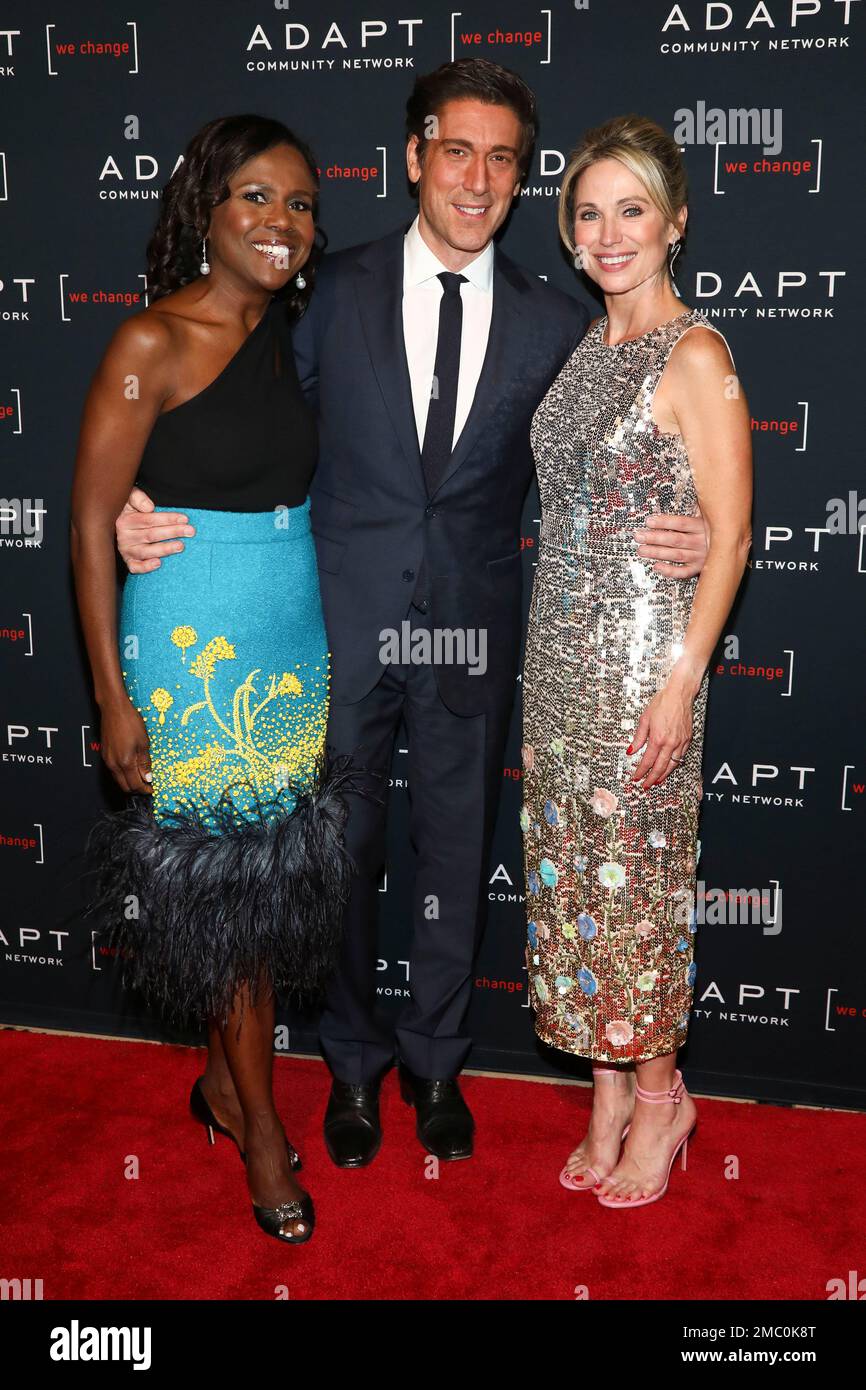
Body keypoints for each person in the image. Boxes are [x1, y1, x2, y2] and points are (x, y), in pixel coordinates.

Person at [115, 61, 710, 1170]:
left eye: (500, 159)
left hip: (475, 626)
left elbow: (628, 438)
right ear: (412, 158)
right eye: (455, 150)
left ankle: (436, 1061)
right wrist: (141, 503)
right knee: (340, 856)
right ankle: (351, 1066)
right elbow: (237, 417)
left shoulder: (556, 319)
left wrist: (704, 528)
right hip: (335, 623)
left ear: (519, 178)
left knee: (454, 848)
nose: (475, 179)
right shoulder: (326, 289)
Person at [71, 114, 357, 1243]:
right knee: (231, 909)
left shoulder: (287, 328)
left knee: (252, 891)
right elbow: (93, 523)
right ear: (205, 210)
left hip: (286, 640)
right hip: (193, 648)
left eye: (297, 204)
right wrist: (110, 694)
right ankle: (263, 1138)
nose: (279, 222)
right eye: (253, 198)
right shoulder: (151, 343)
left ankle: (222, 1087)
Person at [521, 114, 752, 1207]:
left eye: (631, 211)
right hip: (556, 672)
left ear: (672, 224)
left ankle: (663, 1097)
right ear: (569, 235)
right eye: (587, 212)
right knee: (575, 892)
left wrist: (677, 682)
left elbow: (732, 531)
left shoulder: (692, 352)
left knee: (635, 895)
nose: (607, 234)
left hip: (638, 675)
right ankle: (607, 1091)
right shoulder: (586, 347)